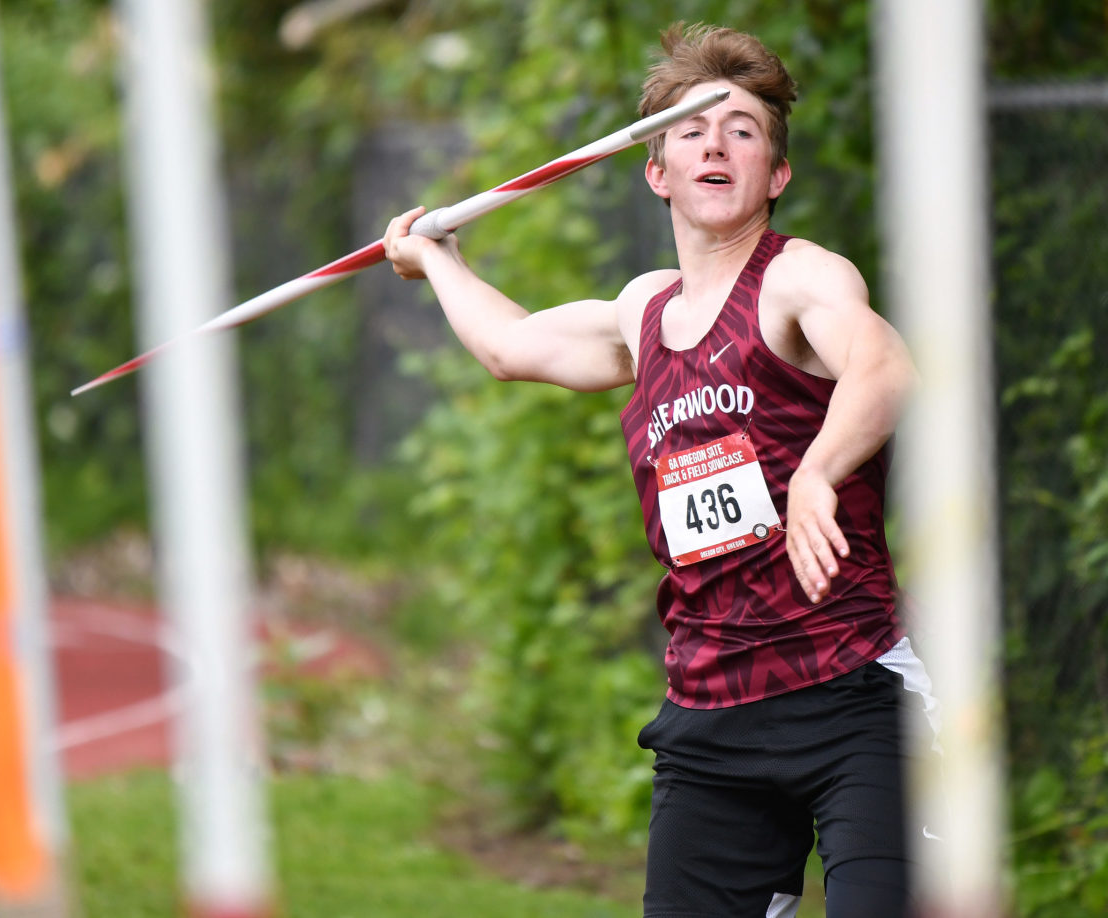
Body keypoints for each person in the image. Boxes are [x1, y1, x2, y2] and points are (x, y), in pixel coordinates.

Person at [383, 21, 938, 918]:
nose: (716, 142)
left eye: (743, 129)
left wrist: (818, 471)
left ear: (775, 174)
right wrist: (434, 260)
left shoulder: (799, 280)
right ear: (658, 171)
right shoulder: (645, 311)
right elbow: (513, 346)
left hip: (852, 695)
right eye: (691, 130)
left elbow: (886, 368)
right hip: (710, 718)